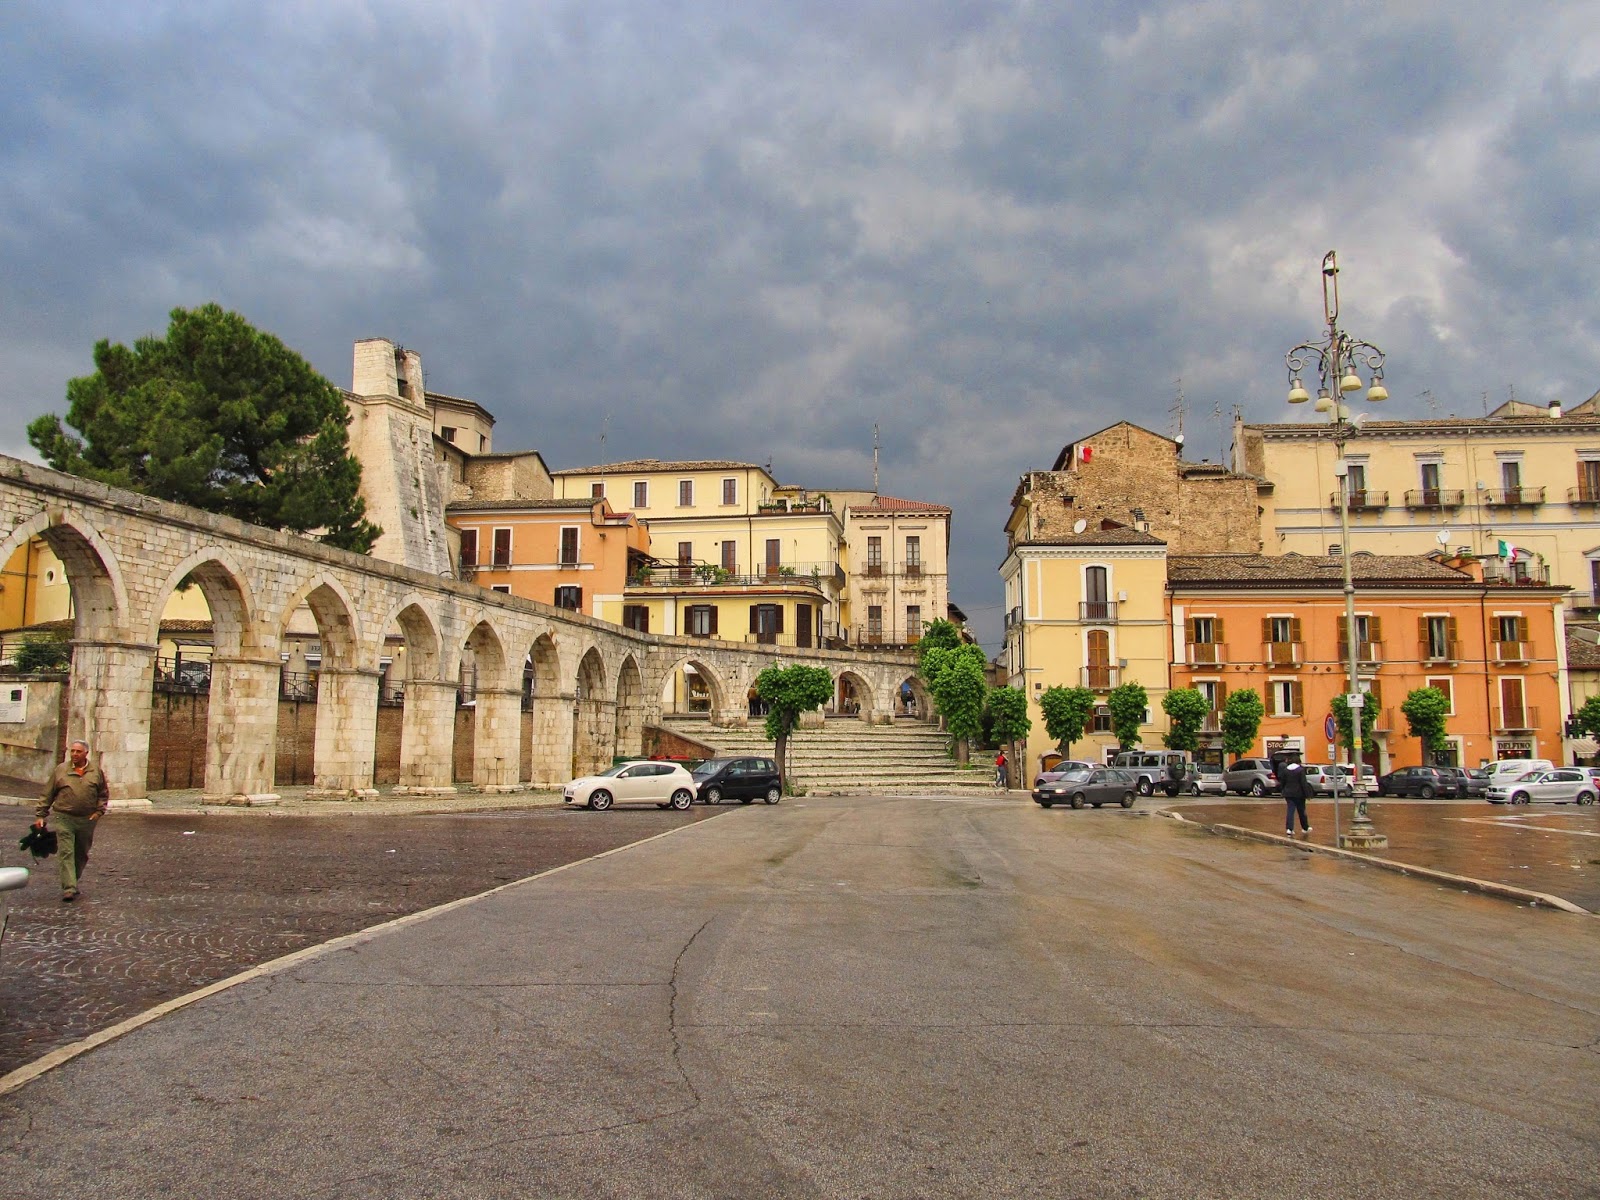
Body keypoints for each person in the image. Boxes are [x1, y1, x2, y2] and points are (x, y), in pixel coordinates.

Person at [34, 739, 110, 903]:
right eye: (72, 751)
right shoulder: (61, 770)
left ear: (86, 753)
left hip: (86, 819)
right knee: (66, 852)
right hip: (64, 817)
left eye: (78, 752)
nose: (74, 754)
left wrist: (98, 812)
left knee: (81, 853)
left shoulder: (96, 772)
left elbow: (103, 793)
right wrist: (41, 815)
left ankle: (73, 880)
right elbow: (48, 793)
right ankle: (69, 888)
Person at [1280, 759, 1311, 837]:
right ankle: (1305, 827)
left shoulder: (1285, 770)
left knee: (1290, 811)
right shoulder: (1300, 770)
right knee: (1301, 811)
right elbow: (1304, 783)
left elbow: (1282, 782)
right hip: (1299, 794)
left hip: (1288, 793)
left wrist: (1283, 791)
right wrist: (1307, 794)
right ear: (1299, 762)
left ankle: (1289, 829)